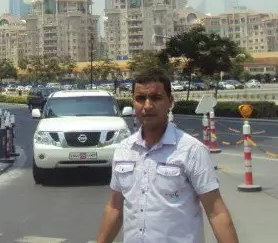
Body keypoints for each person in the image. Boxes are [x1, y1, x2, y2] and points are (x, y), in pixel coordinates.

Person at [96, 69, 239, 243]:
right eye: (140, 99)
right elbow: (115, 208)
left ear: (170, 102)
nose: (147, 106)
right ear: (133, 102)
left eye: (156, 98)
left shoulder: (191, 150)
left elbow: (216, 212)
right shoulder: (124, 150)